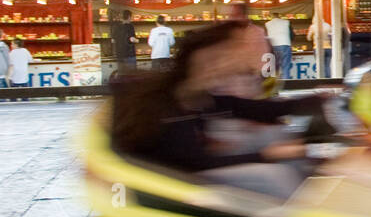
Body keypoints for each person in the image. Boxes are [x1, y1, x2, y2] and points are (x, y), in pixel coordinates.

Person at [111, 22, 317, 199]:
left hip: (192, 167)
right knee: (273, 175)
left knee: (274, 135)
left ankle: (315, 201)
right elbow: (196, 162)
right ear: (195, 60)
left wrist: (320, 101)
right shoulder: (169, 104)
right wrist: (267, 154)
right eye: (216, 59)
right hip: (175, 181)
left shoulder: (202, 96)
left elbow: (257, 109)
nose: (223, 66)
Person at [264, 15, 293, 79]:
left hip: (272, 46)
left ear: (272, 17)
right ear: (280, 17)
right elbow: (292, 35)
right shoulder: (287, 22)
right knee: (285, 68)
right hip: (285, 44)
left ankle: (273, 86)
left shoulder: (267, 24)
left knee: (273, 69)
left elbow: (265, 37)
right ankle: (285, 85)